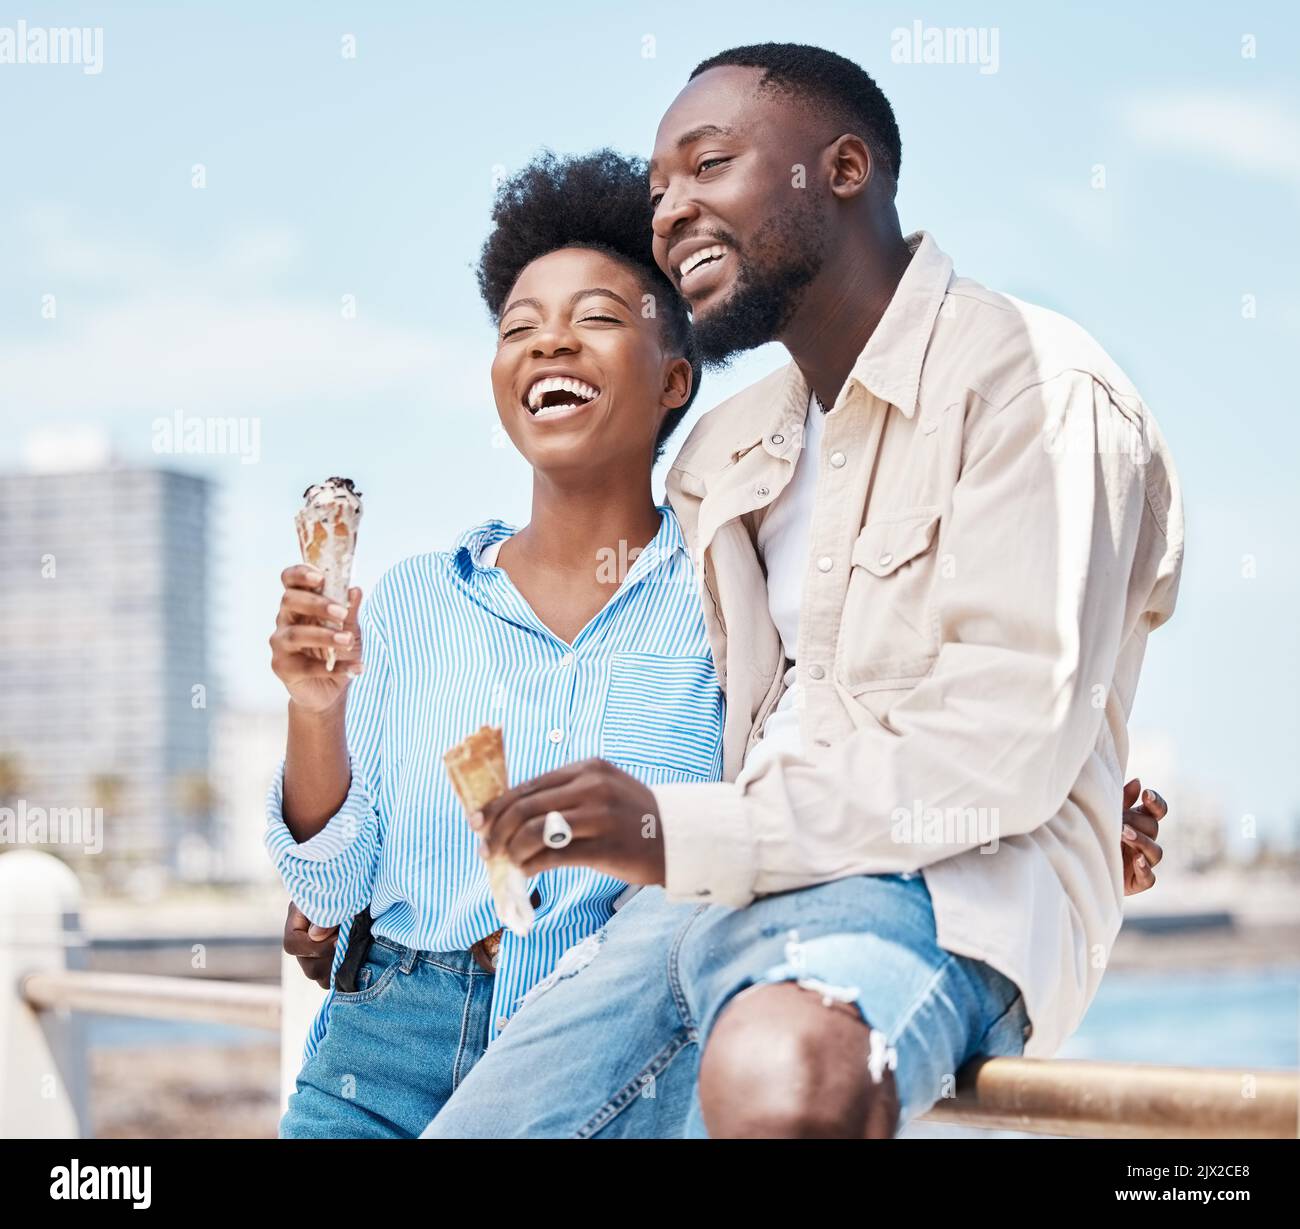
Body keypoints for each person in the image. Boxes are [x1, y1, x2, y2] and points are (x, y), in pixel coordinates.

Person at [421, 42, 1184, 1138]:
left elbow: (1002, 745)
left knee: (786, 1075)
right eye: (657, 193)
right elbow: (698, 701)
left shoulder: (1036, 385)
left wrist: (673, 827)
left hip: (936, 897)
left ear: (842, 167)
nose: (670, 212)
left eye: (709, 164)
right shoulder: (723, 452)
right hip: (705, 897)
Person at [266, 149, 719, 1137]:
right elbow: (331, 888)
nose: (549, 342)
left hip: (614, 1056)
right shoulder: (411, 602)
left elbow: (781, 824)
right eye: (520, 326)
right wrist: (315, 709)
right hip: (385, 1050)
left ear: (674, 377)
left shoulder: (725, 603)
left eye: (597, 318)